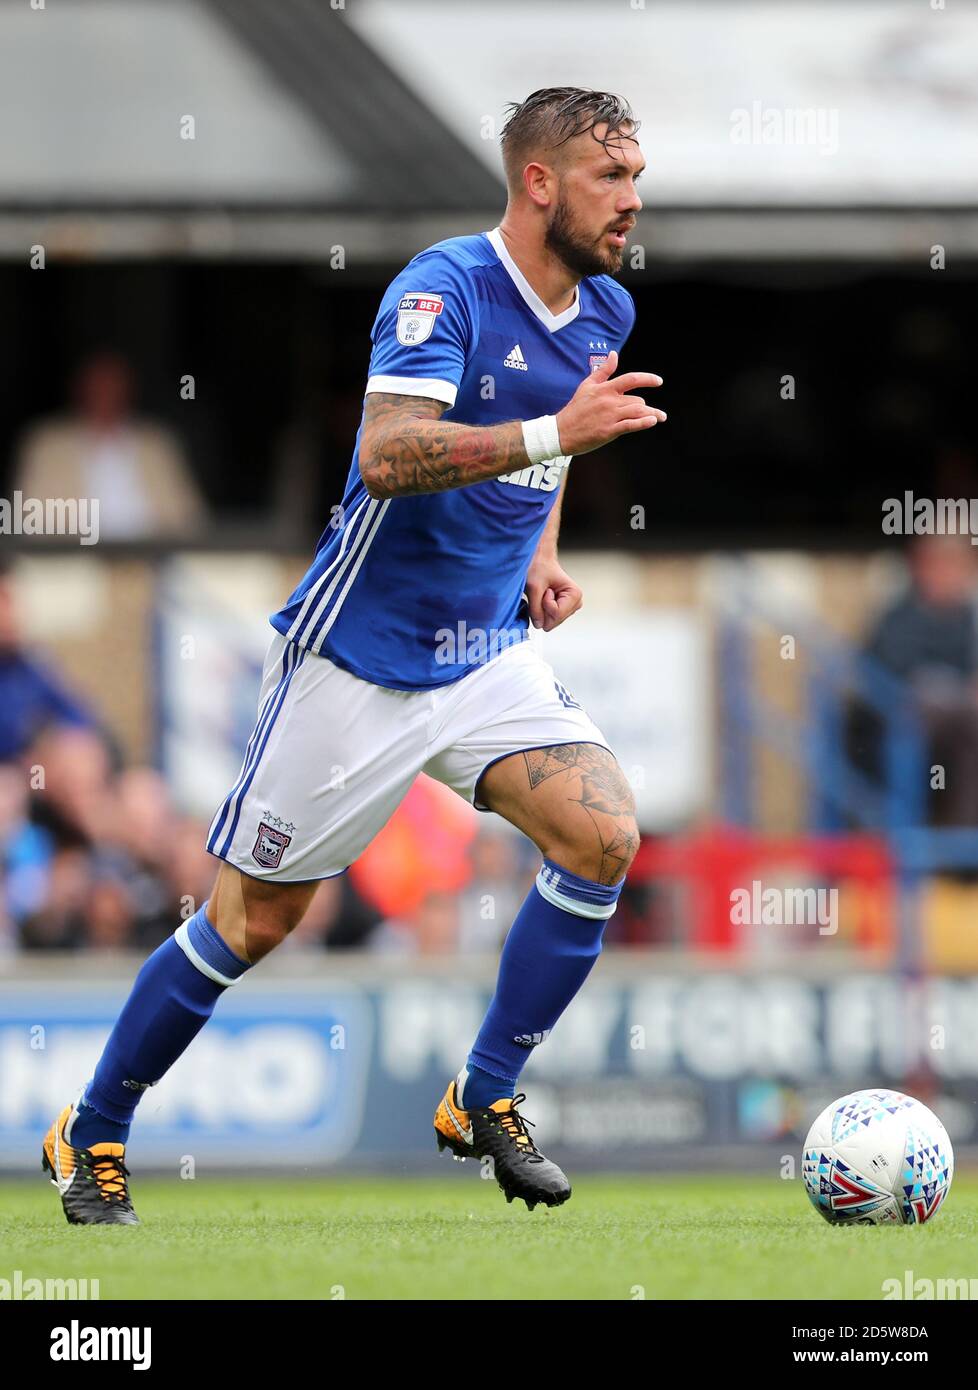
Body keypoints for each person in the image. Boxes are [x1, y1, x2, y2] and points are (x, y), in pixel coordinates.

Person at [42, 87, 665, 1224]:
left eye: (635, 177)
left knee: (606, 832)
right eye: (609, 180)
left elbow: (560, 440)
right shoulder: (444, 288)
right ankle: (93, 1132)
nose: (632, 201)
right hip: (361, 658)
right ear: (539, 184)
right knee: (251, 922)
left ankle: (482, 1094)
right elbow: (385, 457)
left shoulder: (604, 308)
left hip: (487, 650)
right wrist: (548, 436)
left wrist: (542, 546)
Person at [15, 352, 206, 541]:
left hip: (152, 555)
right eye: (98, 383)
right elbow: (29, 518)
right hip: (74, 555)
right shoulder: (49, 445)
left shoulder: (156, 443)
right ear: (80, 389)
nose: (106, 391)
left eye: (114, 383)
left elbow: (189, 516)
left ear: (129, 389)